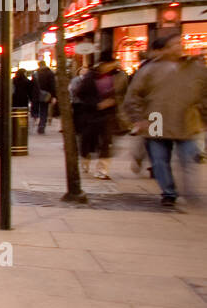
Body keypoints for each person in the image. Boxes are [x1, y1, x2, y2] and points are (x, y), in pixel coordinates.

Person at [120, 34, 207, 206]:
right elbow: (133, 95)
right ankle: (169, 192)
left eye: (180, 43)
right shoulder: (150, 70)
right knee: (160, 160)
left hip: (186, 118)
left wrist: (203, 114)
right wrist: (137, 118)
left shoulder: (194, 68)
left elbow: (204, 93)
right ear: (165, 49)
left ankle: (189, 191)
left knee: (188, 158)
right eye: (174, 44)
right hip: (156, 117)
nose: (179, 46)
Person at [77, 51, 127, 179]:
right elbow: (81, 94)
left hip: (109, 115)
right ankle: (85, 160)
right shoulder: (90, 77)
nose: (112, 66)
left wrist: (115, 103)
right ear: (104, 64)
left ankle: (102, 170)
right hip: (91, 114)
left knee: (106, 142)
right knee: (87, 141)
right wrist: (97, 104)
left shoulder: (118, 76)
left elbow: (123, 93)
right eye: (110, 63)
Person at [34, 62, 57, 133]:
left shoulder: (36, 73)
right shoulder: (50, 73)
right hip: (47, 94)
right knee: (44, 110)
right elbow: (53, 85)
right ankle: (42, 125)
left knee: (38, 109)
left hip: (37, 94)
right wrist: (54, 96)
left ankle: (38, 122)